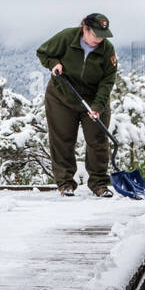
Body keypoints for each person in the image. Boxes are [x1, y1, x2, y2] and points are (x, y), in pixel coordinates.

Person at [36, 13, 119, 197]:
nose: (99, 39)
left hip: (93, 99)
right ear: (85, 28)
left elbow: (108, 80)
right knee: (62, 139)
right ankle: (65, 183)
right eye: (95, 34)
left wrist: (98, 106)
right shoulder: (67, 37)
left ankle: (99, 184)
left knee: (97, 139)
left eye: (102, 35)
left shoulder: (107, 49)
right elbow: (43, 52)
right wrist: (54, 63)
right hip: (62, 95)